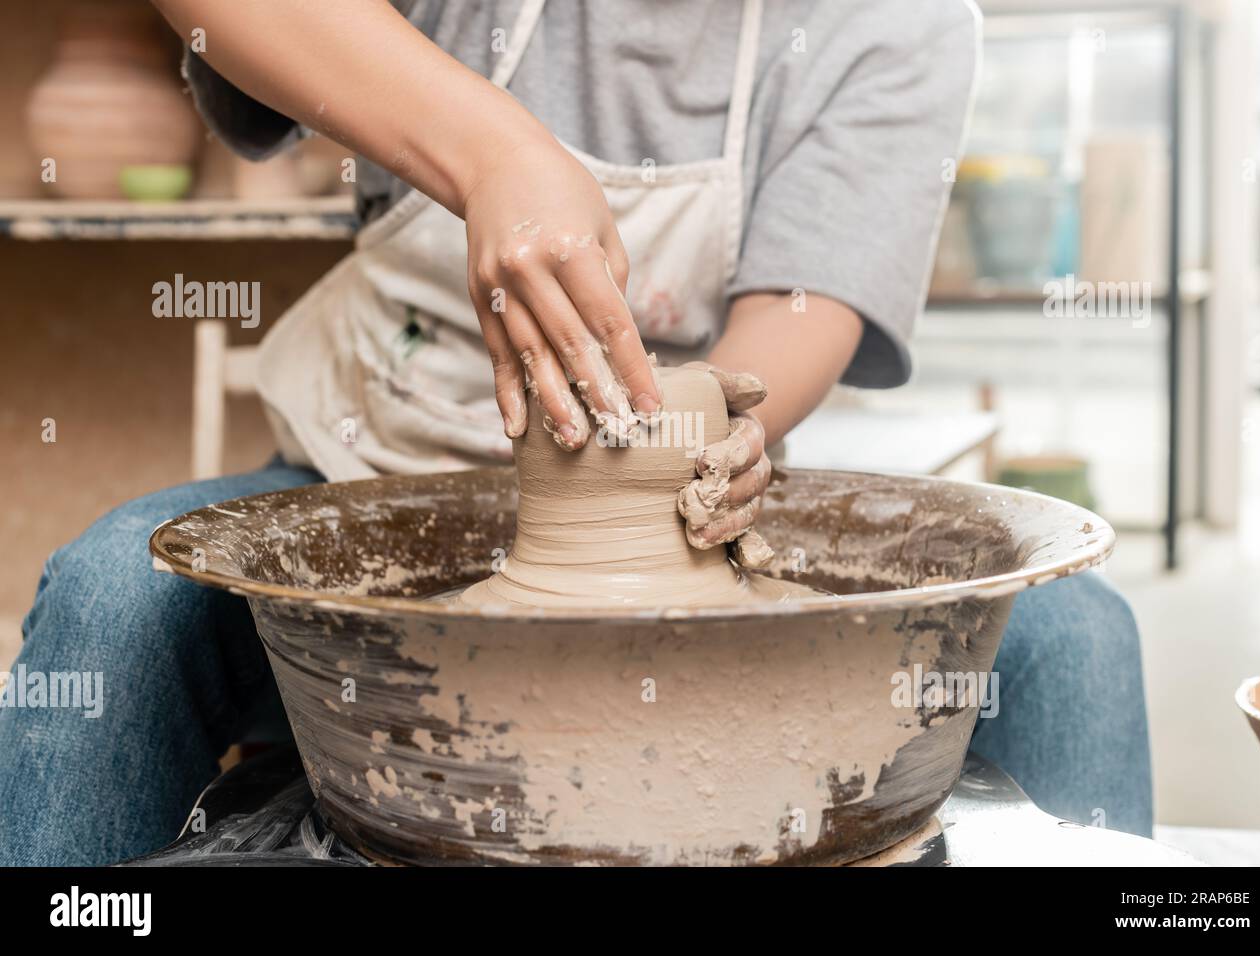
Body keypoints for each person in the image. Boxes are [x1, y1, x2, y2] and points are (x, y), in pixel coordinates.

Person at [0, 0, 1152, 866]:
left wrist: (703, 430)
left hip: (702, 515)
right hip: (369, 469)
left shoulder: (886, 20)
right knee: (116, 590)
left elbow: (805, 312)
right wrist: (490, 149)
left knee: (1072, 632)